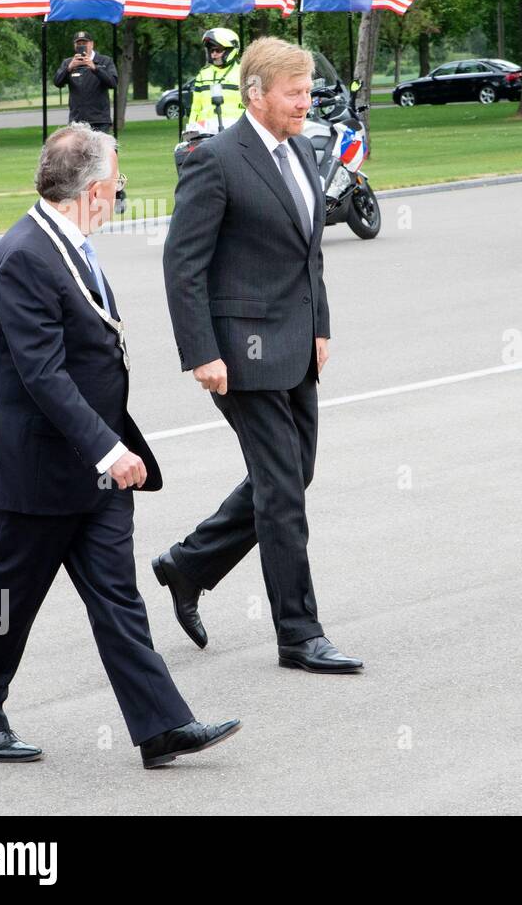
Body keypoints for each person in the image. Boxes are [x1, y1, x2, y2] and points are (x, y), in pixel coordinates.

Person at [0, 123, 240, 769]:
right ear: (92, 190)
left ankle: (162, 725)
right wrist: (108, 450)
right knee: (8, 597)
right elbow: (42, 375)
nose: (118, 197)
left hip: (94, 471)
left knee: (118, 598)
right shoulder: (23, 256)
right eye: (116, 186)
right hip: (35, 468)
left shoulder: (68, 244)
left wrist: (107, 454)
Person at [157, 37, 361, 674]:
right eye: (294, 93)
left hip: (298, 346)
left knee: (294, 475)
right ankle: (299, 635)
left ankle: (187, 563)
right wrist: (201, 352)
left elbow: (310, 254)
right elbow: (182, 263)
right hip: (239, 354)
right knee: (282, 493)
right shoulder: (214, 160)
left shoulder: (302, 149)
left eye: (308, 90)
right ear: (257, 95)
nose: (306, 101)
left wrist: (320, 326)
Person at [52, 31, 117, 132]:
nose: (81, 46)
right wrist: (69, 68)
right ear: (74, 46)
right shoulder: (68, 62)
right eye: (78, 44)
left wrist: (95, 68)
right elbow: (57, 82)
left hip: (99, 120)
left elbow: (113, 83)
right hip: (77, 120)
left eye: (84, 43)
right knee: (77, 148)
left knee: (99, 148)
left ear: (91, 44)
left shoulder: (105, 61)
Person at [187, 27, 244, 134]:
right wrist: (190, 130)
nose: (214, 54)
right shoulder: (203, 74)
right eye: (211, 50)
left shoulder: (244, 73)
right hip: (206, 132)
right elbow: (196, 108)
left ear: (231, 49)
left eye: (218, 50)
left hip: (236, 132)